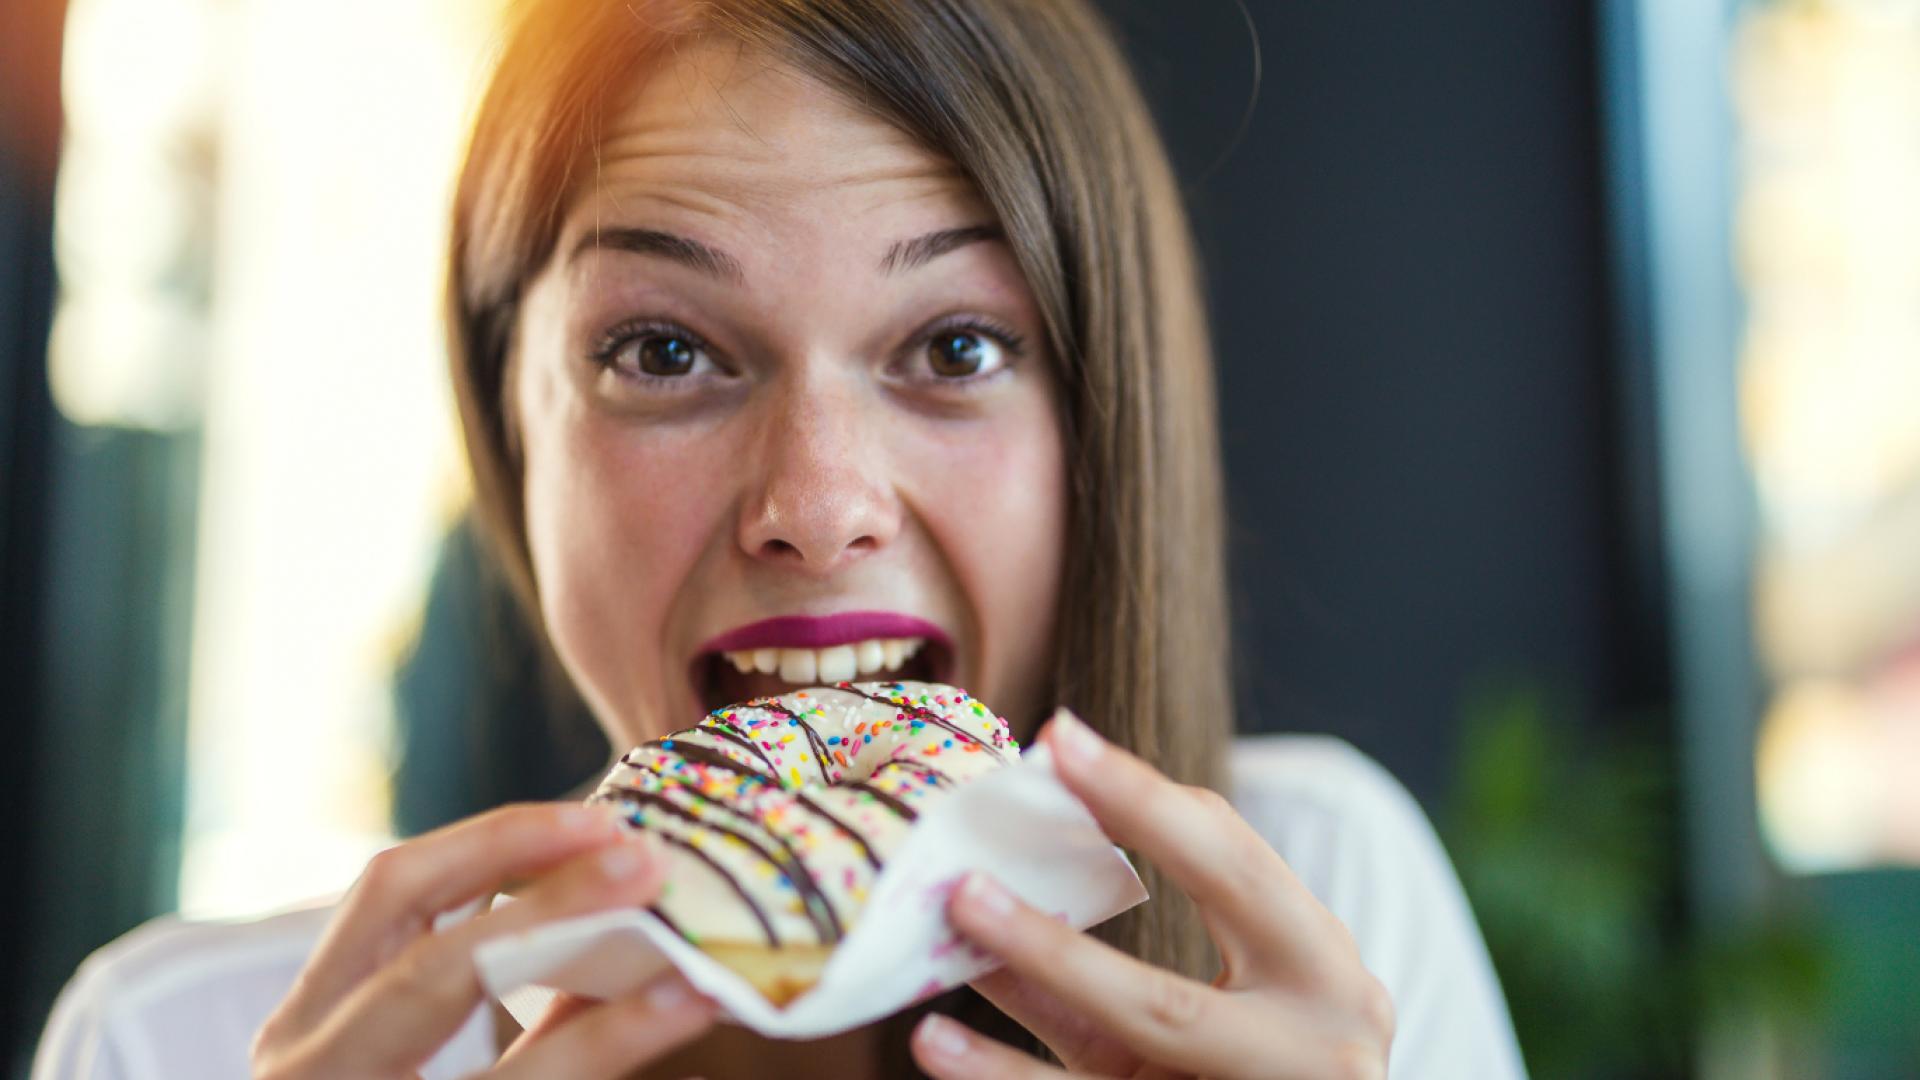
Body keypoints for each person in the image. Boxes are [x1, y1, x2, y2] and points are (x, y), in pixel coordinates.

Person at [34, 1, 1527, 1077]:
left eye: (954, 346)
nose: (815, 507)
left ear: (1104, 421)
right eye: (667, 355)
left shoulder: (1321, 915)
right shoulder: (174, 1039)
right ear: (509, 428)